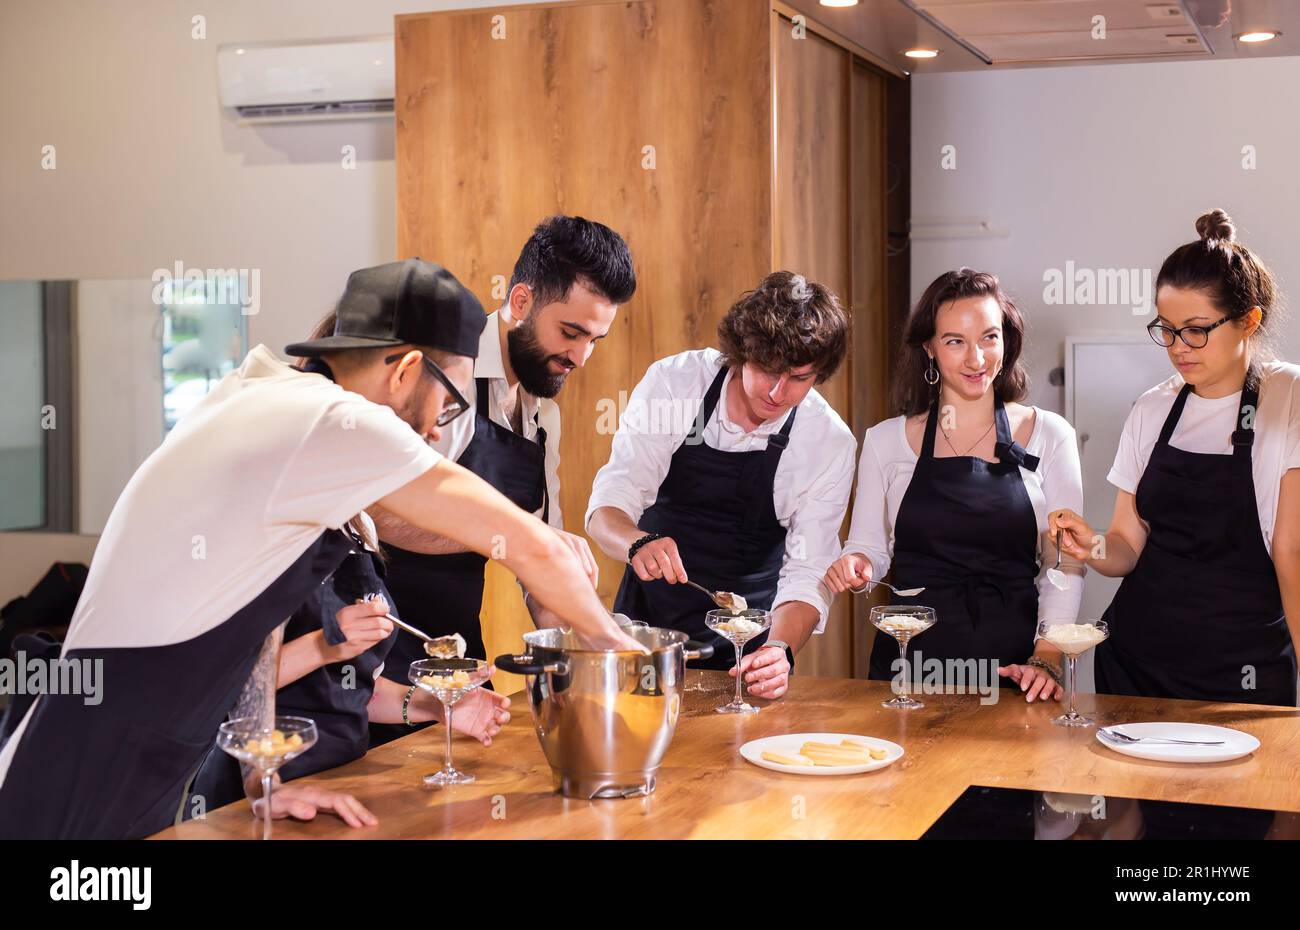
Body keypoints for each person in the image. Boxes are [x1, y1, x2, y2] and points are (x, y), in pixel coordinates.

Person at [0, 258, 638, 840]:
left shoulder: (278, 401)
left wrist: (261, 777)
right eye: (446, 406)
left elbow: (261, 623)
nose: (433, 429)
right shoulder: (338, 423)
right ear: (407, 369)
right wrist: (629, 661)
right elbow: (533, 548)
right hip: (85, 758)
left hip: (152, 748)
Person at [371, 218, 635, 733]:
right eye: (571, 333)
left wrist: (581, 662)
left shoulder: (543, 416)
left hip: (458, 656)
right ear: (520, 302)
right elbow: (375, 514)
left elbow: (541, 572)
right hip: (379, 657)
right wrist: (524, 537)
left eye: (595, 340)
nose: (581, 357)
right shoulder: (448, 367)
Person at [1052, 210, 1300, 707]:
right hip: (1137, 665)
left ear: (1249, 320)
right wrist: (1091, 546)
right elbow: (1126, 545)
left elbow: (1291, 554)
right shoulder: (1153, 408)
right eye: (1165, 329)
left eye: (1195, 330)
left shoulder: (1287, 395)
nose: (1177, 348)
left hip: (1245, 672)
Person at [586, 272, 857, 699]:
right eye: (768, 369)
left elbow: (808, 570)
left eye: (799, 378)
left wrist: (780, 650)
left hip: (747, 647)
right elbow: (610, 504)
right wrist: (637, 542)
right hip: (646, 636)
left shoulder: (827, 441)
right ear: (741, 351)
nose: (777, 392)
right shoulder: (676, 385)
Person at [825, 269, 1083, 700]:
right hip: (907, 666)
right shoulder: (885, 441)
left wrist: (1048, 654)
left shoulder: (1050, 435)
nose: (976, 360)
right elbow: (869, 549)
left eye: (989, 338)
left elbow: (1065, 563)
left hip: (1016, 670)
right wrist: (858, 566)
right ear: (929, 347)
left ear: (1007, 339)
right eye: (954, 341)